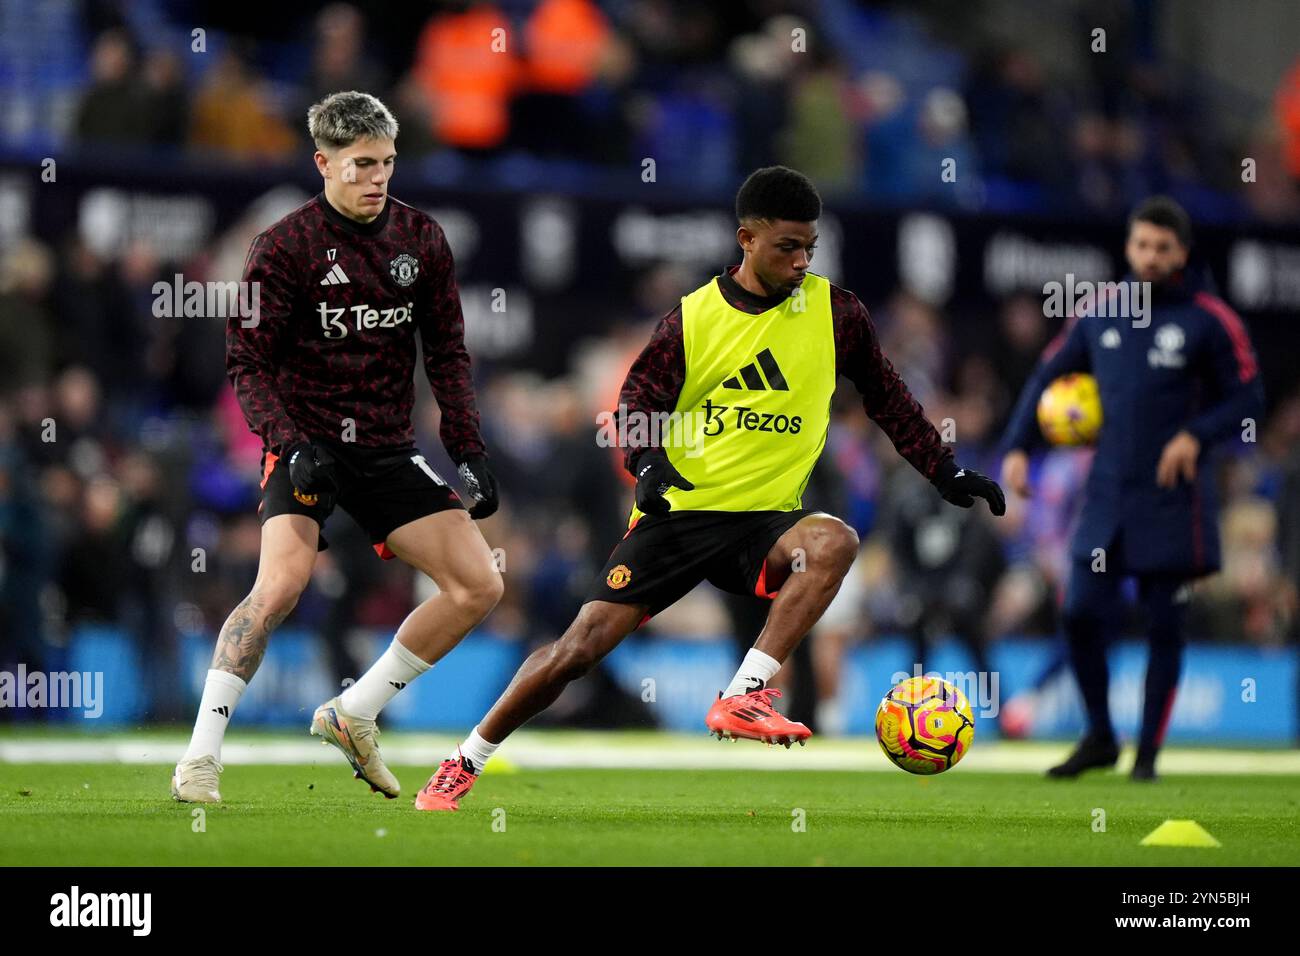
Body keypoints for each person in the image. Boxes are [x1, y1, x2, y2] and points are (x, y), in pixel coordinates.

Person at [414, 165, 1005, 811]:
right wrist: (645, 463)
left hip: (766, 523)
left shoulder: (837, 312)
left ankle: (745, 694)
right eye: (787, 247)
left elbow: (889, 397)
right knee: (576, 650)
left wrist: (943, 470)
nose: (802, 260)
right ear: (746, 239)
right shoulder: (693, 318)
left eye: (810, 246)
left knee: (834, 540)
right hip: (683, 513)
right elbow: (636, 400)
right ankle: (464, 760)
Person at [171, 91, 501, 803]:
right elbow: (247, 363)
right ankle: (200, 758)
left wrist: (468, 448)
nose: (376, 177)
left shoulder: (423, 240)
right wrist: (288, 443)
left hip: (385, 447)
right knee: (282, 585)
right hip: (308, 442)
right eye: (360, 165)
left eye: (385, 162)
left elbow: (447, 354)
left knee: (480, 584)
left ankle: (353, 712)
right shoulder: (283, 246)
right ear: (323, 162)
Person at [999, 196, 1264, 781]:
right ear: (1128, 247)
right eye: (1141, 245)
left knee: (1165, 624)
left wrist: (1196, 435)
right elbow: (1050, 376)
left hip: (1174, 497)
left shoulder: (1209, 319)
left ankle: (1146, 756)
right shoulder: (1101, 311)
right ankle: (1099, 735)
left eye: (1161, 248)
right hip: (1109, 493)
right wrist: (1019, 447)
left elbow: (1248, 396)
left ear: (1182, 254)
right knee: (1078, 614)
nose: (1149, 257)